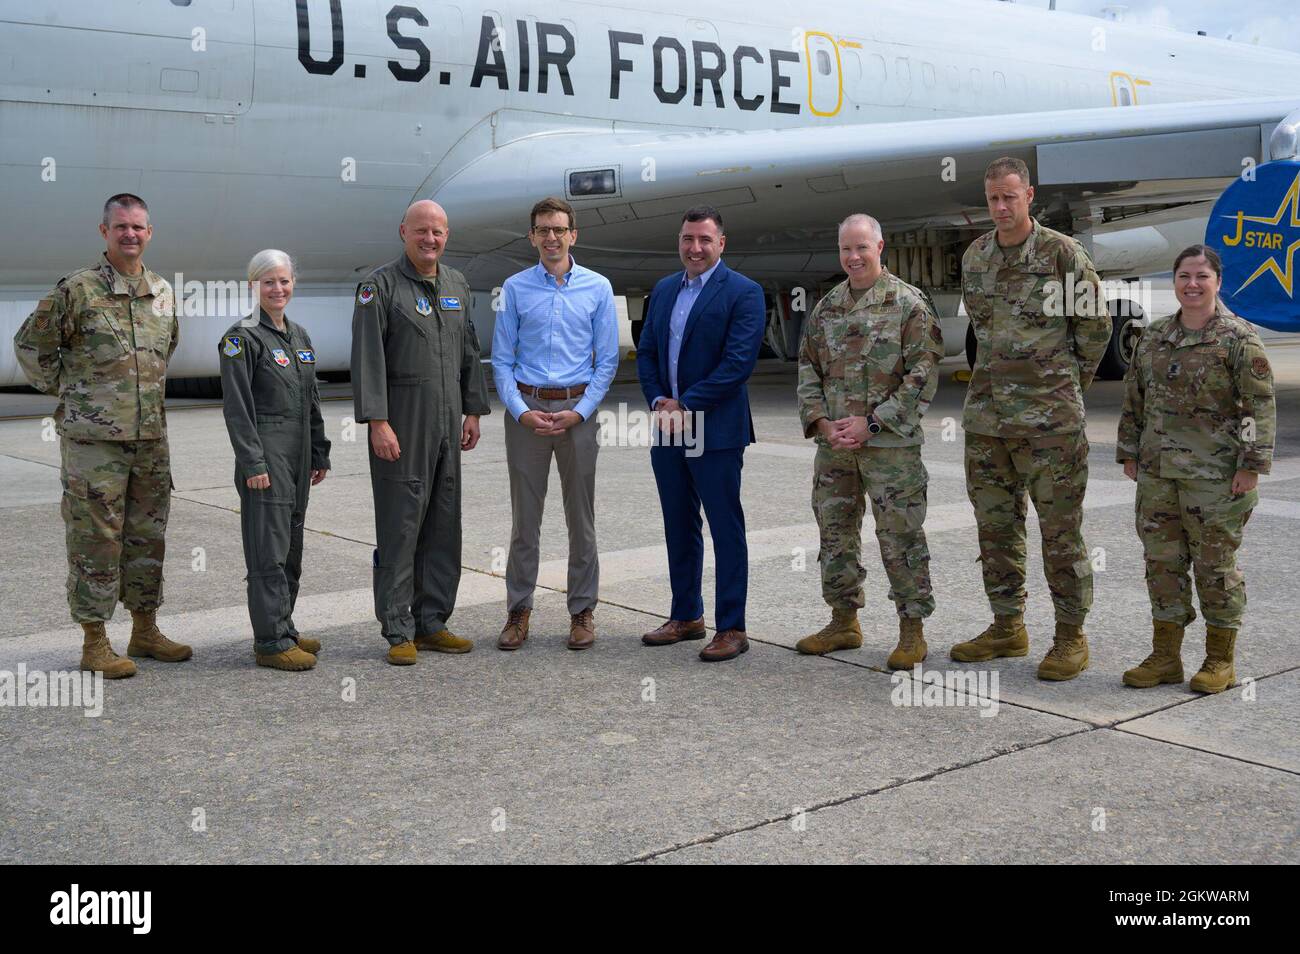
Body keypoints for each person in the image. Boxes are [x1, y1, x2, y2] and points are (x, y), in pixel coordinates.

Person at [13, 193, 189, 678]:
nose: (130, 234)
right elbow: (31, 348)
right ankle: (94, 640)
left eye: (138, 227)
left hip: (150, 439)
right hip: (94, 446)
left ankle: (145, 629)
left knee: (147, 537)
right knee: (96, 540)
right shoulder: (78, 290)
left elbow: (163, 352)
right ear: (104, 232)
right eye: (120, 227)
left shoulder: (162, 292)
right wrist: (76, 392)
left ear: (149, 232)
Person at [949, 157, 1111, 681]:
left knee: (1061, 534)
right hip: (988, 421)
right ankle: (1007, 626)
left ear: (1029, 195)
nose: (1000, 207)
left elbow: (1093, 330)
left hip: (1051, 426)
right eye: (993, 198)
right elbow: (981, 327)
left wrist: (1063, 388)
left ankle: (1070, 636)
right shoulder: (976, 257)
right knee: (995, 530)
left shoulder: (1061, 254)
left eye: (1009, 197)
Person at [1117, 245, 1274, 693]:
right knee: (1162, 563)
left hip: (1216, 478)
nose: (1192, 284)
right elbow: (1135, 397)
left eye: (1202, 276)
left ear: (1217, 282)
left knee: (1214, 566)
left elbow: (1257, 407)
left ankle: (1219, 660)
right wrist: (1129, 451)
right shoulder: (1154, 336)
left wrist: (1252, 466)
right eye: (1185, 275)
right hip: (1158, 475)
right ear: (1175, 281)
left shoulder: (1238, 339)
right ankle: (1165, 657)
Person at [795, 214, 943, 667]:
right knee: (836, 536)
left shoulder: (908, 304)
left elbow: (923, 374)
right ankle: (844, 621)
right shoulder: (827, 308)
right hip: (835, 448)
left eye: (861, 247)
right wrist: (822, 423)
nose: (853, 257)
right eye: (845, 249)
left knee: (900, 538)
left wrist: (873, 423)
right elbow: (808, 369)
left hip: (890, 449)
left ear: (880, 246)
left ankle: (912, 630)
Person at [351, 200, 491, 665]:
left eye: (438, 232)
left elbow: (468, 350)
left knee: (444, 523)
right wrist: (377, 420)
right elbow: (367, 357)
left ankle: (432, 622)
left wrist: (473, 410)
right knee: (401, 525)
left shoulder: (456, 284)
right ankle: (398, 629)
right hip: (402, 423)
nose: (429, 239)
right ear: (402, 232)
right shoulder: (379, 287)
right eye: (421, 231)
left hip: (449, 421)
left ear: (446, 235)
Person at [636, 206, 766, 662]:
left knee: (725, 527)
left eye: (704, 240)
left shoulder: (745, 293)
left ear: (721, 244)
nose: (695, 248)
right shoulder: (666, 289)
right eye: (688, 239)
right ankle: (686, 615)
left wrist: (685, 404)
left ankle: (732, 626)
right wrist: (659, 402)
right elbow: (647, 351)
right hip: (670, 429)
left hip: (716, 429)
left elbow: (738, 363)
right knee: (678, 523)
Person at [491, 198, 619, 651]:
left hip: (576, 411)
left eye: (559, 230)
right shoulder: (514, 288)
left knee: (580, 518)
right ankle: (518, 610)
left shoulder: (598, 288)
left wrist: (580, 411)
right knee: (525, 521)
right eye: (543, 230)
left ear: (573, 235)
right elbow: (502, 361)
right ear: (532, 237)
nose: (551, 238)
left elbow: (606, 361)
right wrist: (521, 410)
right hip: (526, 409)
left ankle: (582, 611)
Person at [219, 250, 332, 671]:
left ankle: (284, 625)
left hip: (298, 457)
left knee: (291, 547)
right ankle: (269, 642)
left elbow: (312, 400)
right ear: (253, 286)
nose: (277, 289)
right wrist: (253, 464)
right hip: (266, 457)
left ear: (293, 284)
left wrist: (319, 450)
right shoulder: (241, 338)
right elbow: (237, 409)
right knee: (268, 550)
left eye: (283, 281)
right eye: (268, 282)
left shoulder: (299, 335)